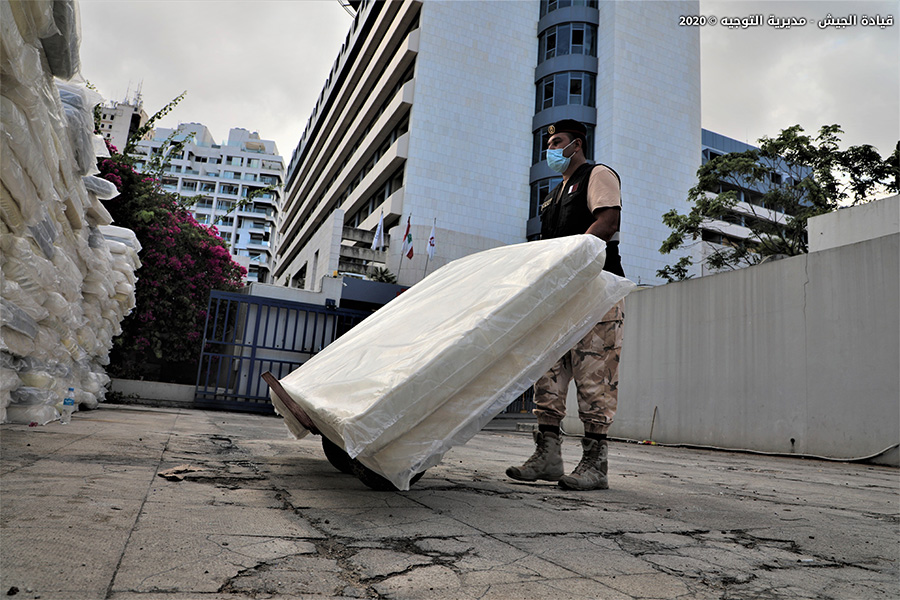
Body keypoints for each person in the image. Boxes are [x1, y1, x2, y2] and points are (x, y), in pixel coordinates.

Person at [507, 119, 625, 491]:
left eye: (557, 142)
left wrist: (571, 267)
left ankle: (595, 465)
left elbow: (606, 222)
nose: (551, 149)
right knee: (549, 376)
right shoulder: (552, 194)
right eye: (549, 143)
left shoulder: (598, 174)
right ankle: (548, 456)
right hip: (558, 297)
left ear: (576, 145)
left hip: (595, 290)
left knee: (595, 377)